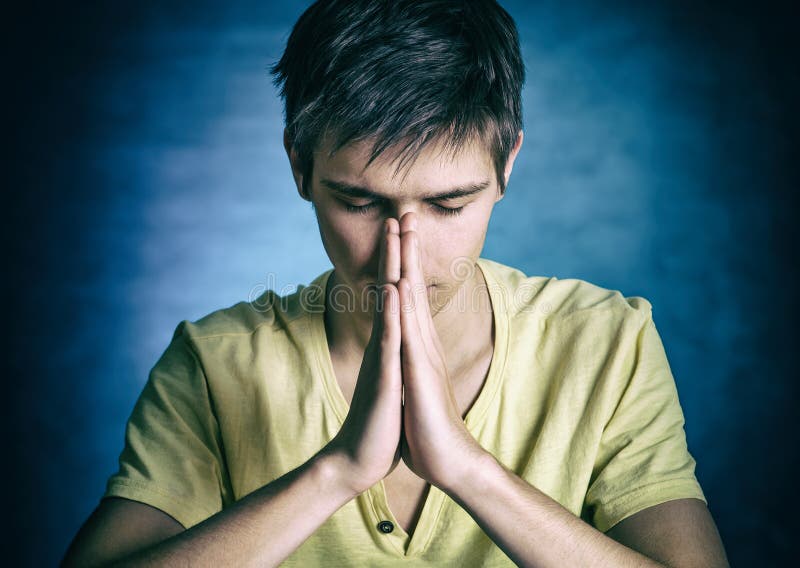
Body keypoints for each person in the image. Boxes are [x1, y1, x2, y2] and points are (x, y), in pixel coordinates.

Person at [62, 0, 730, 566]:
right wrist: (339, 471)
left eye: (448, 205)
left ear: (507, 165)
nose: (402, 250)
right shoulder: (213, 363)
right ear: (299, 166)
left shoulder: (608, 344)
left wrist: (467, 469)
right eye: (358, 202)